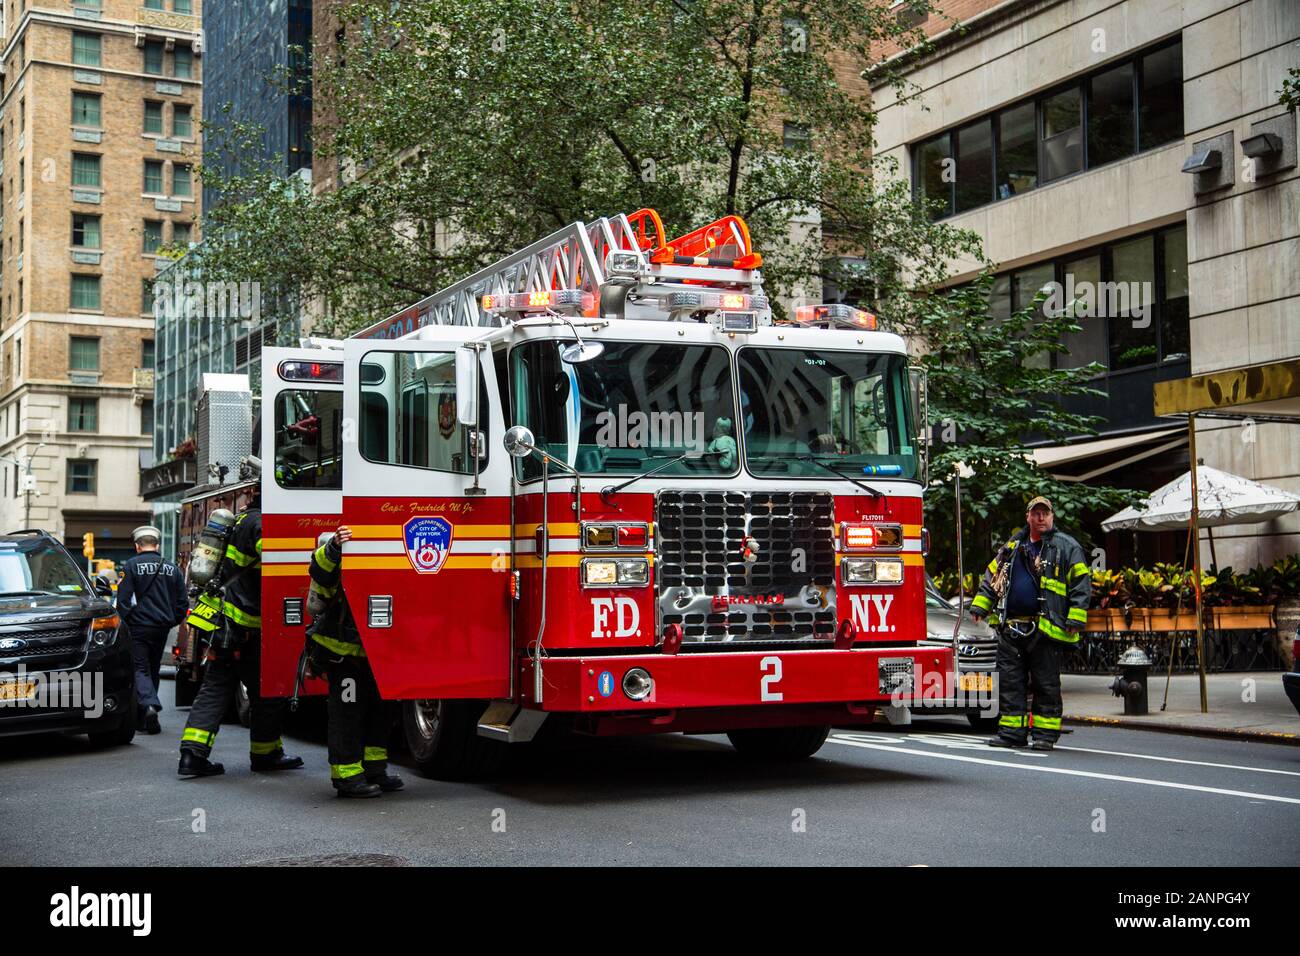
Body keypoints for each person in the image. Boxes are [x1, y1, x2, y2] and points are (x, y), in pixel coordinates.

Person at [177, 495, 303, 777]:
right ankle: (264, 754)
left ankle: (193, 755)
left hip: (226, 621)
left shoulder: (242, 519)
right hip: (245, 624)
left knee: (223, 687)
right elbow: (278, 560)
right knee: (264, 689)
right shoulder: (260, 524)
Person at [968, 496, 1091, 751]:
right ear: (1028, 517)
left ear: (1052, 516)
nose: (1041, 518)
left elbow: (1081, 585)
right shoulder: (1013, 546)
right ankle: (1012, 733)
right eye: (1036, 514)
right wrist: (981, 606)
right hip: (1011, 628)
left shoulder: (1066, 547)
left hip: (1046, 628)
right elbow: (993, 576)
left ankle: (1045, 736)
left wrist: (1075, 618)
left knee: (1046, 683)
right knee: (1011, 682)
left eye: (1045, 513)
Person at [306, 526, 402, 798]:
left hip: (374, 653)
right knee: (347, 712)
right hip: (343, 654)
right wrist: (335, 546)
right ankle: (347, 776)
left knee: (381, 711)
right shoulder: (339, 550)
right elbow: (320, 572)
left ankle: (374, 770)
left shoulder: (378, 550)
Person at [116, 526, 188, 735]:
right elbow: (182, 602)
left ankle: (148, 706)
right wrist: (171, 620)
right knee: (153, 669)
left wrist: (127, 621)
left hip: (139, 627)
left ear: (137, 546)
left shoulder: (130, 566)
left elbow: (123, 600)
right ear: (157, 545)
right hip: (162, 627)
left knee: (140, 668)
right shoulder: (172, 568)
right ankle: (147, 720)